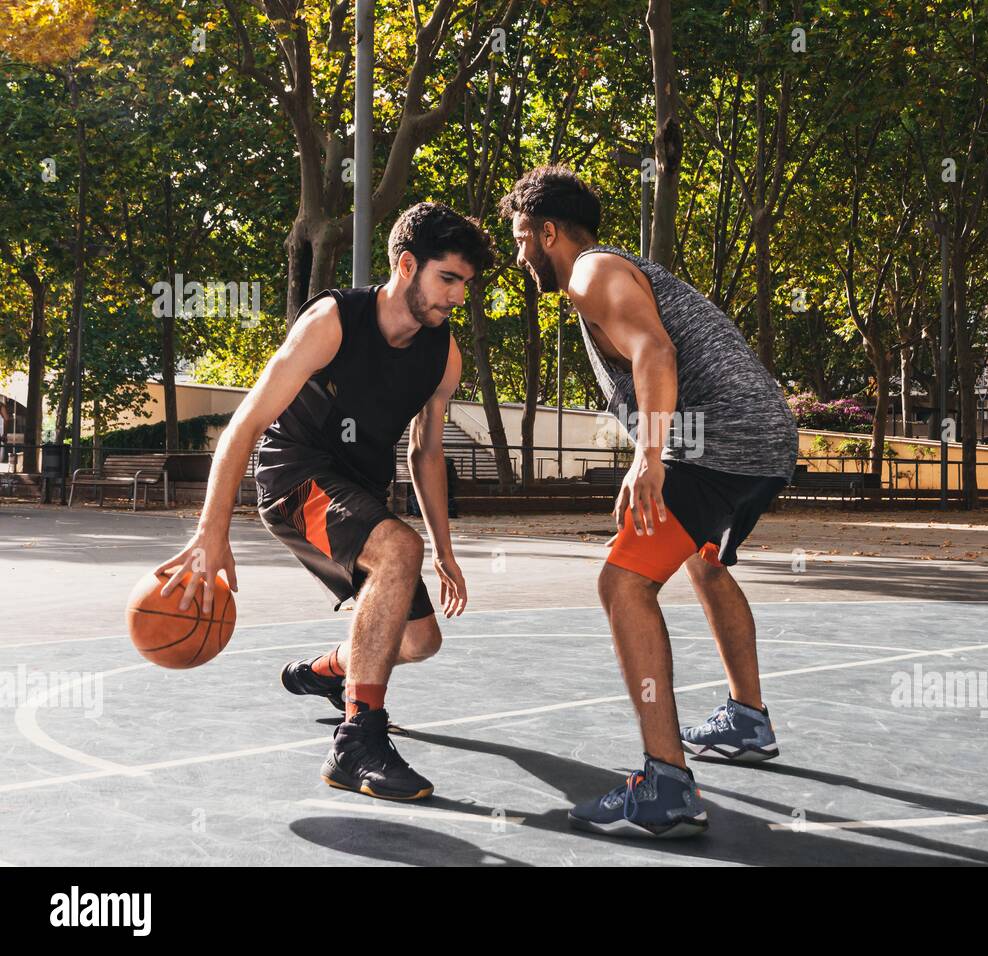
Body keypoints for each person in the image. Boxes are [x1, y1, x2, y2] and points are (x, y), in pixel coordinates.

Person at [153, 202, 493, 802]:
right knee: (396, 549)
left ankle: (324, 671)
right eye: (448, 278)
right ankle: (357, 740)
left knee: (418, 642)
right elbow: (246, 424)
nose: (458, 296)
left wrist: (445, 549)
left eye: (466, 283)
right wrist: (212, 530)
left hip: (358, 492)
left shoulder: (444, 355)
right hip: (294, 478)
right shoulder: (333, 320)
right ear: (406, 265)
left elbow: (426, 454)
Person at [499, 166, 798, 837]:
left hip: (715, 443)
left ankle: (664, 782)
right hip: (765, 441)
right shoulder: (613, 273)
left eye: (522, 239)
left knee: (623, 583)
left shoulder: (590, 273)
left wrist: (649, 456)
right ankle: (747, 720)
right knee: (704, 562)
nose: (521, 256)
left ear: (549, 231)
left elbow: (654, 352)